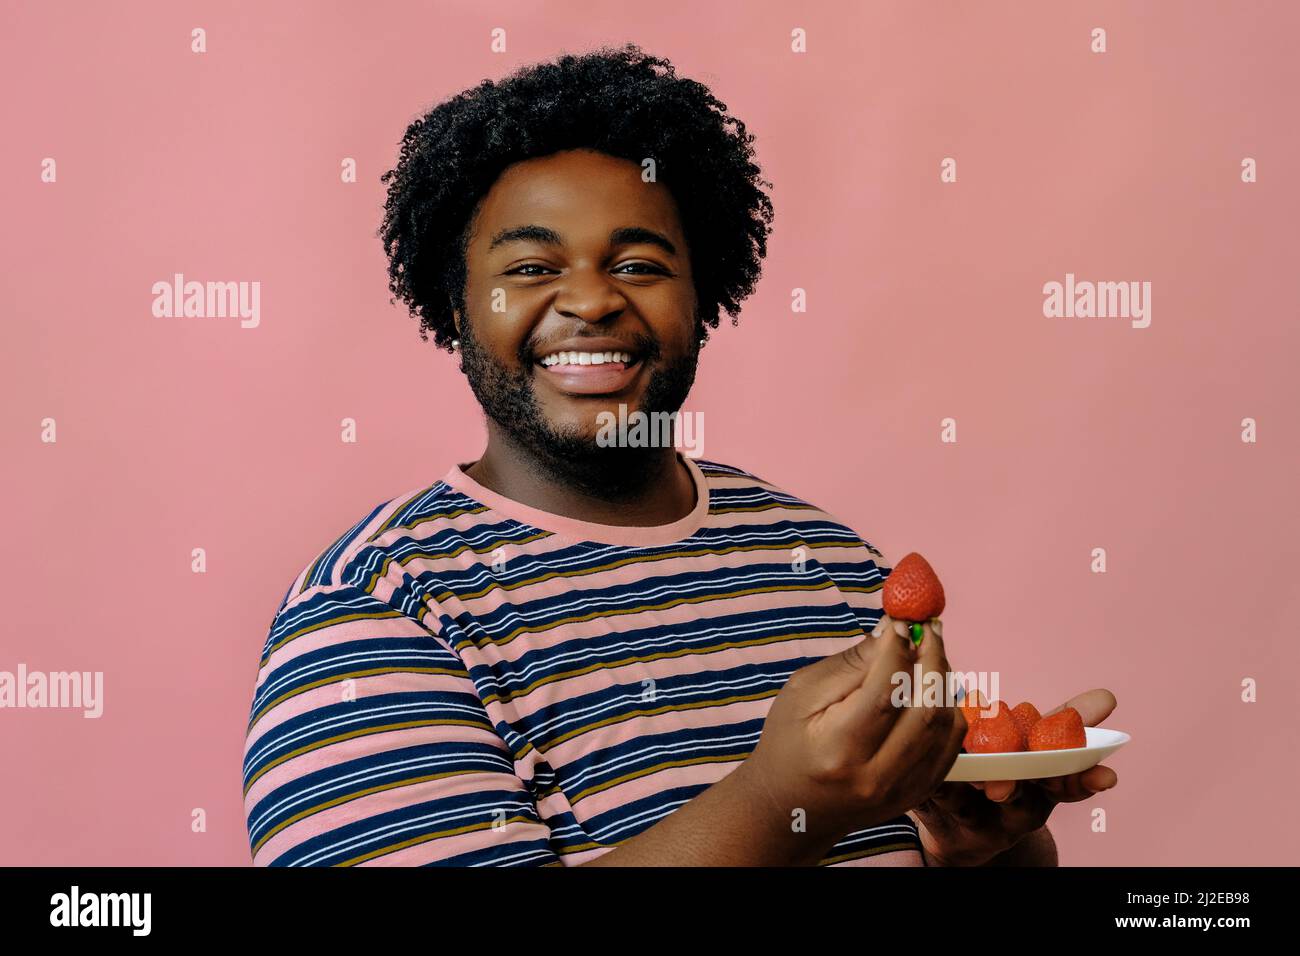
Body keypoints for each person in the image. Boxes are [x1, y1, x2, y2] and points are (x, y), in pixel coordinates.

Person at [241, 44, 1118, 866]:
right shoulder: (374, 615)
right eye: (533, 268)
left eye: (639, 262)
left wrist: (979, 851)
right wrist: (779, 802)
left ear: (704, 297)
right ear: (456, 305)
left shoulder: (833, 561)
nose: (590, 299)